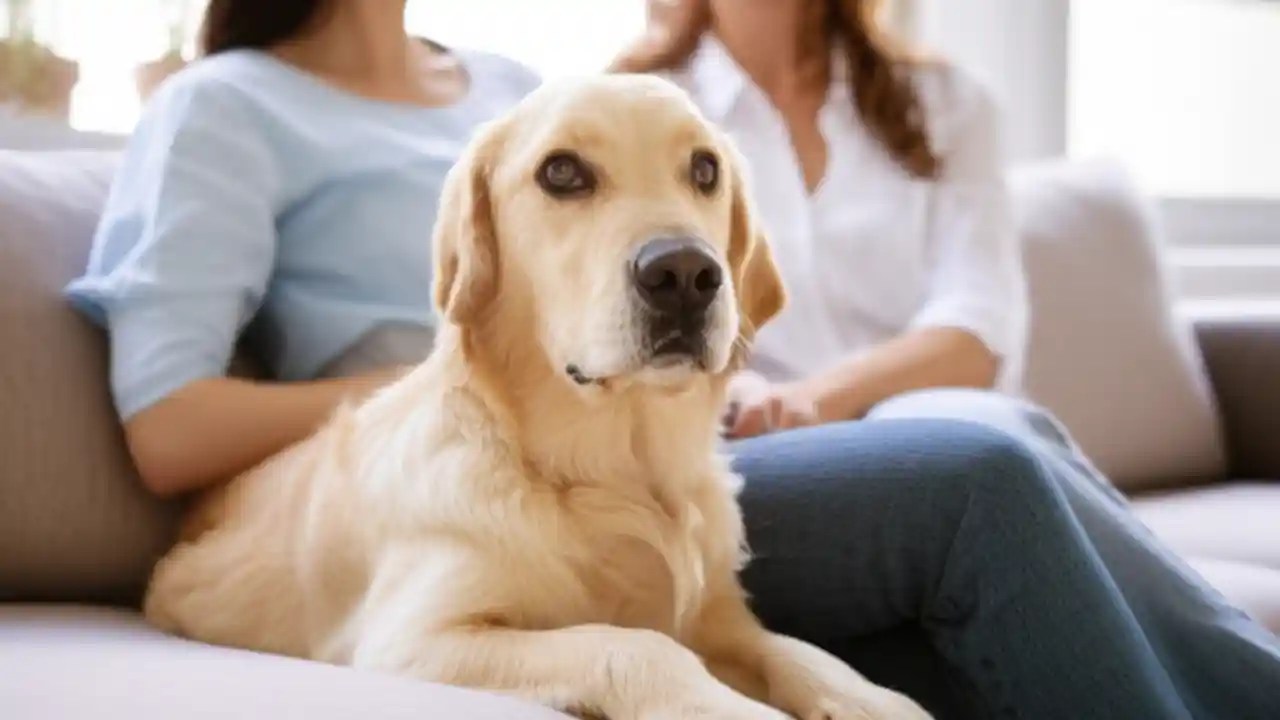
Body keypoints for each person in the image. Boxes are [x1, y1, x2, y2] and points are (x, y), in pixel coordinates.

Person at [62, 0, 1278, 718]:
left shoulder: (510, 84)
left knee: (1005, 441)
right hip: (451, 457)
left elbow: (655, 244)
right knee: (977, 466)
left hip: (656, 453)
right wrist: (438, 377)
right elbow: (167, 424)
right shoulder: (220, 107)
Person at [612, 0, 1280, 718]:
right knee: (987, 459)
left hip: (924, 410)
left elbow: (975, 327)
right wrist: (730, 380)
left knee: (971, 430)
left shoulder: (948, 103)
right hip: (742, 458)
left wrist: (818, 397)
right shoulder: (639, 107)